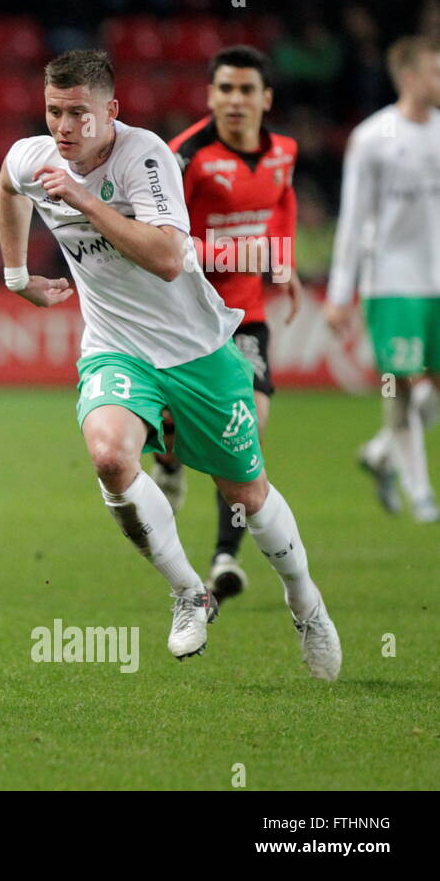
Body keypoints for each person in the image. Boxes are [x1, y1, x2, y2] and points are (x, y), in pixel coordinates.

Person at [0, 50, 340, 679]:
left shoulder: (145, 155)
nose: (64, 127)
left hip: (197, 349)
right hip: (116, 346)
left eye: (78, 113)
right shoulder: (32, 156)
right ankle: (189, 591)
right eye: (53, 112)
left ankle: (304, 599)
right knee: (108, 456)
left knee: (246, 493)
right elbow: (6, 182)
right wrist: (17, 274)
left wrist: (82, 200)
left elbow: (166, 257)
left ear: (111, 112)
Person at [150, 45, 303, 605]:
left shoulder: (285, 152)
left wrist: (280, 261)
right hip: (183, 315)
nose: (234, 100)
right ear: (210, 95)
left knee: (250, 425)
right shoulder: (182, 156)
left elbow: (281, 203)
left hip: (244, 317)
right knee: (171, 426)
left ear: (266, 98)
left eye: (245, 90)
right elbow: (160, 237)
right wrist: (239, 254)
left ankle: (223, 559)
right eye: (224, 89)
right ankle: (168, 459)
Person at [326, 36, 440, 523]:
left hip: (437, 283)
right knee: (398, 386)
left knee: (430, 386)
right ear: (410, 77)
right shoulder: (373, 138)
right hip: (391, 283)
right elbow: (352, 219)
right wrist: (339, 293)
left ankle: (380, 454)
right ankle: (422, 496)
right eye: (436, 71)